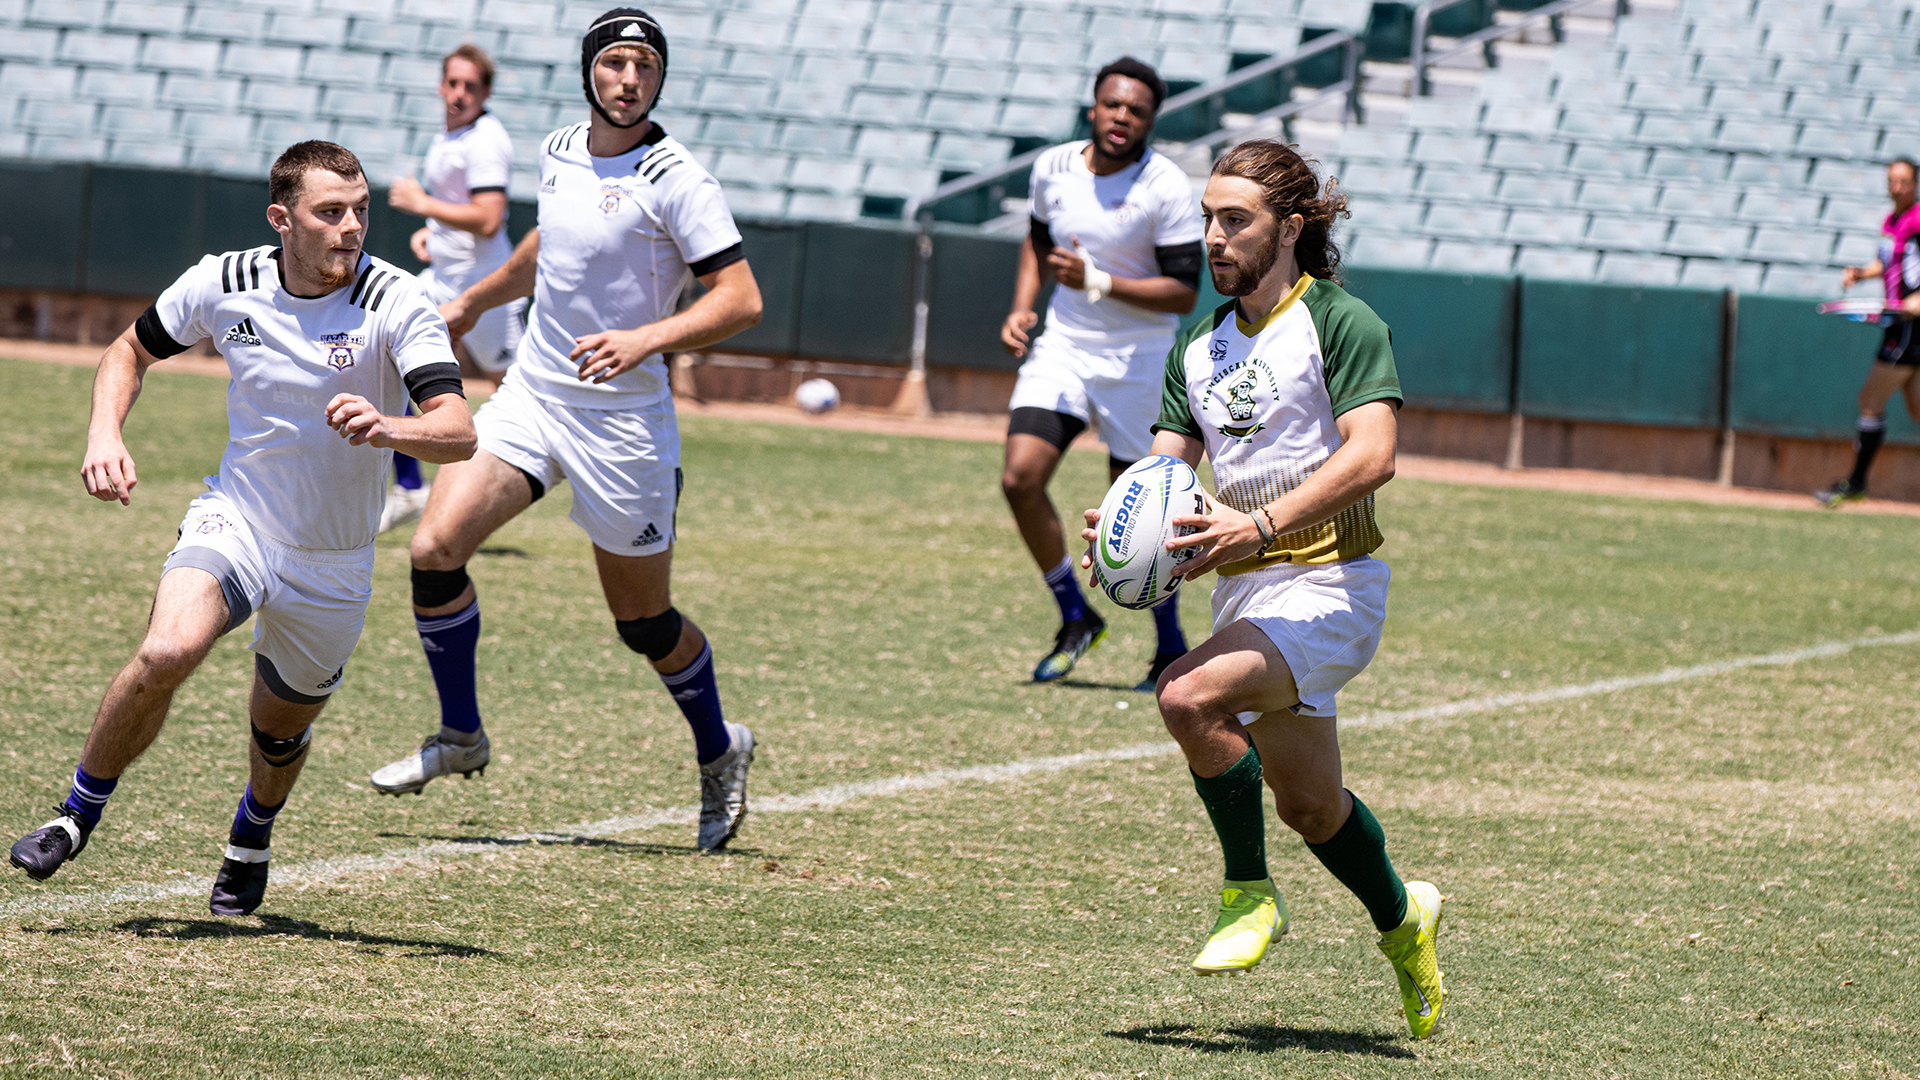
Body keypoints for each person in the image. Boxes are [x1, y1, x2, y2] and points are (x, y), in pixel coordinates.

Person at [7, 142, 476, 915]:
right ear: (281, 219)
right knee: (169, 648)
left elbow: (459, 431)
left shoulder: (397, 301)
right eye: (331, 212)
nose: (352, 226)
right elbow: (129, 351)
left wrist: (391, 427)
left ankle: (251, 832)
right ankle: (74, 815)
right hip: (241, 519)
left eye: (360, 210)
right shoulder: (223, 280)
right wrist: (103, 434)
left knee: (278, 731)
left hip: (334, 561)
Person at [367, 9, 767, 853]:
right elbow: (551, 244)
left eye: (645, 68)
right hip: (534, 396)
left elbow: (741, 298)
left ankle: (720, 748)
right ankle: (462, 735)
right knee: (434, 549)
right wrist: (477, 298)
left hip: (624, 421)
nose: (629, 79)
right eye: (616, 63)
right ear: (591, 71)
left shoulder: (677, 176)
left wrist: (645, 339)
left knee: (642, 624)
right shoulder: (557, 151)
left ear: (660, 81)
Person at [1082, 140, 1445, 1039]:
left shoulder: (1341, 322)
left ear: (1290, 226)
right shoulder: (1197, 348)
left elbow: (1374, 455)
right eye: (1207, 217)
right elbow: (1166, 477)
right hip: (1245, 596)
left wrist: (1260, 525)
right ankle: (1407, 923)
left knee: (1185, 695)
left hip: (1332, 584)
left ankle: (1250, 893)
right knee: (1312, 808)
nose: (1213, 235)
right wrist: (1128, 530)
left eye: (1233, 219)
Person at [998, 56, 1205, 689]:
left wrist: (1100, 281)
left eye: (1137, 111)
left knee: (1146, 514)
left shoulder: (1164, 186)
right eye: (1113, 105)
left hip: (1140, 362)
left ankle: (1170, 645)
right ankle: (1074, 615)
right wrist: (1022, 306)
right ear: (1094, 106)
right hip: (1063, 345)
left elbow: (1183, 293)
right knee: (1019, 478)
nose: (1123, 118)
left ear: (1150, 120)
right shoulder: (1052, 167)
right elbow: (1038, 240)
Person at [381, 43, 524, 533]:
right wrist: (431, 231)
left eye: (471, 85)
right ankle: (410, 487)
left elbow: (487, 219)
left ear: (485, 93)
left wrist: (421, 202)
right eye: (453, 82)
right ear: (441, 85)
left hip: (484, 287)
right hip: (441, 278)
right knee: (386, 354)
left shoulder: (485, 140)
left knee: (519, 394)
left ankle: (513, 482)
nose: (459, 93)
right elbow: (457, 209)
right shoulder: (449, 135)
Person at [1818, 157, 1920, 508]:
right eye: (1892, 180)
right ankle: (1857, 483)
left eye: (1904, 181)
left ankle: (1857, 482)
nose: (1896, 187)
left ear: (1916, 184)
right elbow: (1891, 263)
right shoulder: (1891, 221)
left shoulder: (1918, 220)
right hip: (1897, 322)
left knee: (1870, 400)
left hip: (1909, 329)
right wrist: (1862, 274)